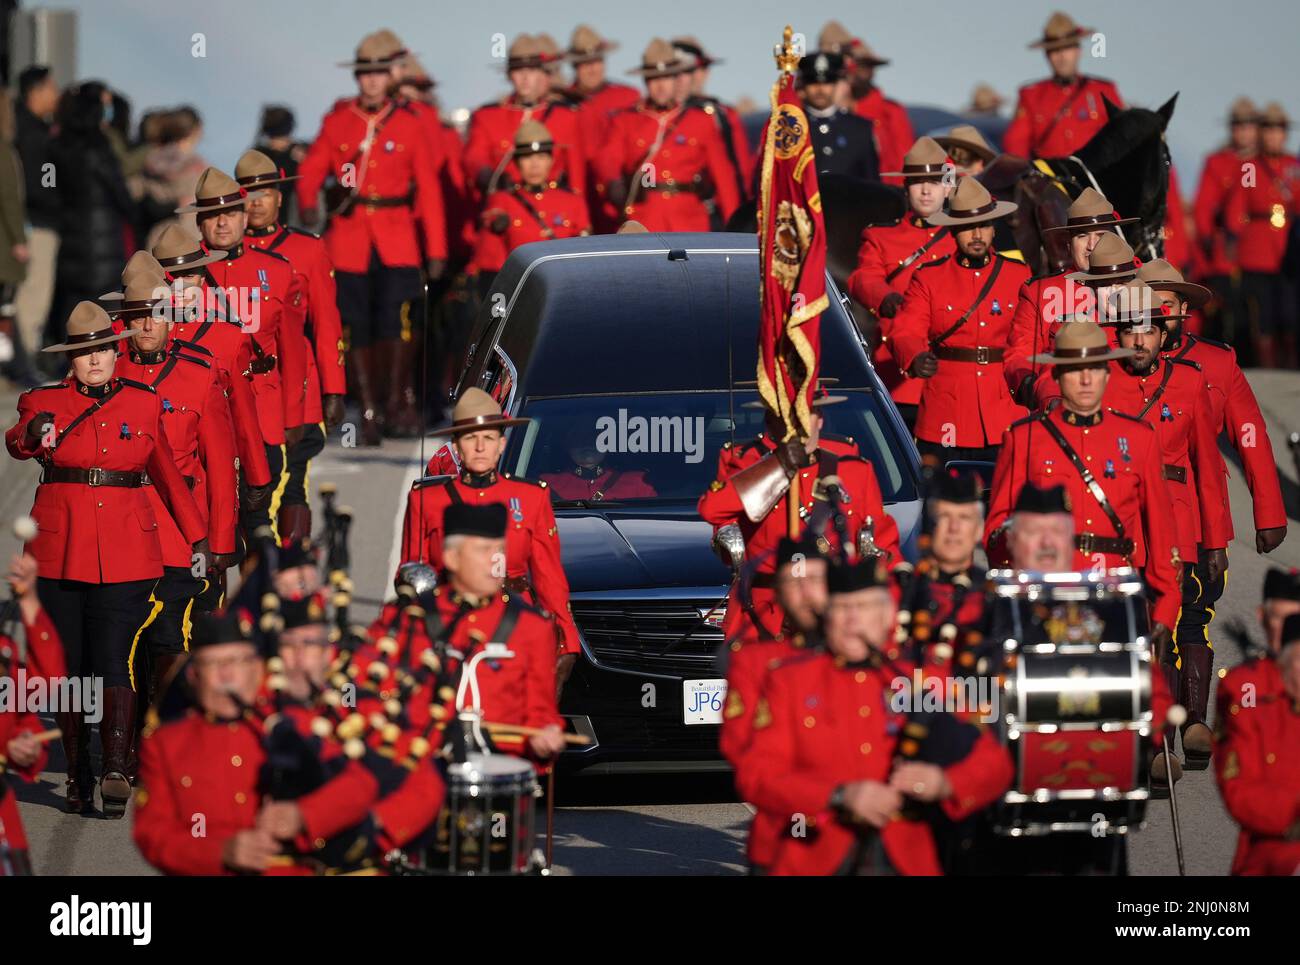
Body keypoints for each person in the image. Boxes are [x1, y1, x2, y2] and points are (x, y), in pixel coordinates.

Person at [6, 301, 206, 818]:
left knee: (115, 655)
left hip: (127, 546)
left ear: (115, 353)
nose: (95, 360)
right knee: (70, 667)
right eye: (84, 353)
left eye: (101, 350)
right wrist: (30, 435)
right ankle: (77, 774)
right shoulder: (41, 399)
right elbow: (18, 441)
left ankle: (116, 765)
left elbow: (165, 470)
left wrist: (198, 539)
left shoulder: (143, 403)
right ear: (71, 359)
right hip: (58, 548)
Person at [735, 557, 1014, 875]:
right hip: (813, 857)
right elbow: (757, 775)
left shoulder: (925, 682)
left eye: (865, 608)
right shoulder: (788, 682)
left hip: (905, 858)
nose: (853, 621)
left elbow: (995, 765)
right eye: (842, 608)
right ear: (827, 616)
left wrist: (945, 783)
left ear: (887, 617)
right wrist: (838, 795)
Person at [132, 607, 379, 875]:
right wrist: (218, 852)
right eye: (213, 664)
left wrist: (303, 815)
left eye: (237, 662)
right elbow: (152, 833)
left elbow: (360, 784)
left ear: (257, 669)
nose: (226, 676)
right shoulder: (166, 743)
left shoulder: (295, 724)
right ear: (194, 677)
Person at [984, 321, 1181, 643]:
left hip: (1115, 591)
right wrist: (1022, 566)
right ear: (1058, 376)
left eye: (1095, 369)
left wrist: (1165, 611)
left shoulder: (1138, 439)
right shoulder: (1025, 438)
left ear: (1107, 373)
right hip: (1044, 590)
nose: (1087, 380)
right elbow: (996, 528)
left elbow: (1161, 533)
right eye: (1076, 370)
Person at [1103, 279, 1230, 773]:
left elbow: (1207, 465)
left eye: (1150, 331)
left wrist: (1215, 540)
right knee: (1141, 629)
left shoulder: (1190, 381)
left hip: (1177, 518)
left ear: (1164, 335)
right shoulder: (1101, 379)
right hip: (1124, 518)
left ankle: (1193, 721)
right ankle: (1154, 742)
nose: (1140, 340)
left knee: (1183, 620)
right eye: (1131, 331)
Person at [297, 31, 446, 446]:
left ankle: (395, 400)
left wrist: (436, 248)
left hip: (396, 233)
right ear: (358, 78)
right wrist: (309, 202)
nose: (372, 82)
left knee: (395, 324)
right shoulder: (339, 120)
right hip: (349, 237)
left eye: (379, 74)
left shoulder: (409, 123)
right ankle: (367, 410)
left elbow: (428, 188)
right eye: (365, 74)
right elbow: (312, 168)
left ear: (390, 77)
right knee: (354, 326)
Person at [112, 274, 240, 691]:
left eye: (157, 315)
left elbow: (220, 466)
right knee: (122, 642)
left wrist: (220, 541)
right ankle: (124, 745)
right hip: (116, 528)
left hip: (178, 529)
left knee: (170, 632)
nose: (148, 326)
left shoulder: (198, 374)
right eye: (139, 317)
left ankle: (162, 733)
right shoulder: (106, 371)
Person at [399, 388, 580, 663]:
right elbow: (413, 576)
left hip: (518, 622)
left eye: (489, 438)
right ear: (456, 446)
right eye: (471, 438)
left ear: (502, 444)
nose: (481, 447)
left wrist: (566, 642)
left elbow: (549, 578)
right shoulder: (426, 499)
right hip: (449, 626)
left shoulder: (532, 498)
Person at [698, 401, 900, 642]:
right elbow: (712, 510)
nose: (800, 426)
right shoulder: (745, 463)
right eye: (789, 418)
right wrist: (778, 464)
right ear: (771, 423)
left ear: (820, 419)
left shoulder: (853, 470)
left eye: (807, 415)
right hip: (764, 617)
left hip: (833, 614)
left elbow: (881, 547)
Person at [183, 166, 307, 541]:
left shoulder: (278, 271)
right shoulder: (181, 275)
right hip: (204, 413)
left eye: (231, 213)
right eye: (211, 216)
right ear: (199, 222)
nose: (222, 224)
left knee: (259, 522)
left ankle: (262, 596)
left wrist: (294, 414)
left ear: (244, 215)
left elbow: (293, 349)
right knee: (209, 526)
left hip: (262, 408)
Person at [1144, 258, 1288, 559]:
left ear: (1184, 310)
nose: (1158, 314)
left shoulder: (1218, 361)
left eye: (1167, 304)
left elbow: (1250, 436)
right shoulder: (1119, 359)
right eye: (1149, 304)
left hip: (1200, 510)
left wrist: (1269, 513)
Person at [238, 149, 347, 537]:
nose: (255, 202)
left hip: (298, 385)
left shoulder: (307, 249)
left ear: (279, 198)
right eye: (246, 193)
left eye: (264, 192)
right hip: (241, 388)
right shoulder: (221, 256)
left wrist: (334, 389)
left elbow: (326, 324)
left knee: (294, 478)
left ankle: (289, 568)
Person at [890, 177, 1030, 467]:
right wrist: (915, 356)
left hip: (1003, 407)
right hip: (947, 410)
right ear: (953, 231)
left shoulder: (1019, 275)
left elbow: (1028, 337)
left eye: (984, 225)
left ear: (994, 229)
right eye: (968, 227)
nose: (977, 234)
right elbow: (906, 328)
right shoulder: (928, 277)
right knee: (940, 499)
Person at [721, 534, 827, 874]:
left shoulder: (856, 658)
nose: (806, 593)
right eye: (794, 583)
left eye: (815, 581)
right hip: (781, 846)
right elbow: (747, 759)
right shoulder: (755, 666)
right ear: (778, 593)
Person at [148, 226, 273, 504]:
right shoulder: (130, 335)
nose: (179, 286)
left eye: (188, 275)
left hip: (203, 473)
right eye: (170, 277)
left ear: (203, 279)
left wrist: (257, 475)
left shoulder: (227, 337)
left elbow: (242, 409)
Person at [846, 136, 956, 428]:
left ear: (948, 187)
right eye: (917, 182)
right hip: (898, 375)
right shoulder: (881, 236)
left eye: (933, 182)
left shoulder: (963, 239)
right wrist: (885, 297)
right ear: (906, 188)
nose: (925, 191)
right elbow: (863, 278)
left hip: (953, 376)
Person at [1004, 187, 1139, 405]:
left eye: (1101, 235)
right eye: (1082, 235)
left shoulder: (1137, 287)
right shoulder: (1040, 293)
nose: (1092, 245)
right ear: (1068, 245)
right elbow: (1020, 358)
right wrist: (1040, 393)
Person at [597, 39, 740, 233]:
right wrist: (613, 184)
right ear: (646, 81)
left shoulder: (700, 121)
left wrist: (734, 227)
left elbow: (724, 179)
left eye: (666, 78)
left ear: (676, 80)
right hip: (643, 216)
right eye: (654, 79)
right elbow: (608, 159)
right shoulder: (626, 120)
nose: (661, 86)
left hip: (689, 218)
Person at [46, 84, 135, 368]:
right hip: (104, 243)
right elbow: (121, 194)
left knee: (72, 309)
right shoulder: (100, 148)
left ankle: (67, 365)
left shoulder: (58, 147)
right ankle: (105, 367)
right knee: (106, 310)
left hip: (71, 240)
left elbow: (49, 190)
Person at [1214, 619, 1300, 875]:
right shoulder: (1255, 706)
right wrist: (1293, 817)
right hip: (1273, 852)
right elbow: (1240, 791)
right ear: (1282, 667)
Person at [463, 34, 587, 204]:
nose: (525, 78)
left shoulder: (565, 117)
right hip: (505, 207)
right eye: (519, 70)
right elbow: (474, 158)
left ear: (544, 74)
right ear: (509, 75)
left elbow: (576, 175)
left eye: (532, 70)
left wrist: (578, 216)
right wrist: (488, 176)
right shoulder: (487, 117)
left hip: (556, 210)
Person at [1222, 102, 1300, 368]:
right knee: (1262, 314)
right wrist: (1233, 238)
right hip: (1257, 249)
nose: (1272, 135)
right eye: (1267, 129)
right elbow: (1238, 205)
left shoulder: (1294, 166)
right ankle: (1268, 370)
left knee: (1290, 313)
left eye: (1278, 129)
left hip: (1289, 247)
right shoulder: (1250, 168)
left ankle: (1290, 366)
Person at [896, 470, 989, 677]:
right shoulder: (899, 592)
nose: (954, 528)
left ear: (979, 529)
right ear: (928, 527)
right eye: (944, 516)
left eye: (964, 517)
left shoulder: (993, 598)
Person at [468, 121, 591, 278]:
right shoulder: (503, 200)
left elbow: (583, 254)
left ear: (551, 160)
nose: (534, 165)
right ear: (517, 163)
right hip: (518, 285)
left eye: (541, 157)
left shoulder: (573, 202)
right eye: (527, 157)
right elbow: (488, 261)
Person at [1002, 11, 1124, 160]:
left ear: (1078, 51)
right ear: (1047, 55)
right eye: (1055, 50)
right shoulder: (1031, 96)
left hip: (1096, 177)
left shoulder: (1103, 91)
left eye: (1067, 48)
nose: (1062, 57)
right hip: (1050, 179)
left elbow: (1123, 137)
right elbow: (1015, 145)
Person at [1193, 98, 1258, 345]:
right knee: (1225, 306)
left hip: (1260, 249)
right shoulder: (1218, 162)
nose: (1243, 131)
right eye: (1239, 125)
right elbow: (1203, 206)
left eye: (1249, 125)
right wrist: (1208, 241)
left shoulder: (1263, 163)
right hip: (1225, 249)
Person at [817, 22, 913, 185]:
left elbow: (903, 164)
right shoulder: (822, 109)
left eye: (869, 65)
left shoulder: (889, 112)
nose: (864, 71)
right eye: (859, 64)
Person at [565, 24, 640, 231]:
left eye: (597, 61)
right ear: (575, 67)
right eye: (584, 63)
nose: (592, 69)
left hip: (620, 193)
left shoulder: (627, 97)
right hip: (579, 193)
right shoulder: (562, 105)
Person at [12, 66, 61, 373]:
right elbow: (41, 185)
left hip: (33, 223)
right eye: (51, 88)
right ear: (37, 91)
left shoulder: (22, 129)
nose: (55, 95)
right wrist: (58, 201)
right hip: (38, 225)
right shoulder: (34, 136)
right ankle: (23, 361)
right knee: (33, 297)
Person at [673, 36, 753, 207]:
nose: (680, 79)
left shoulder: (718, 114)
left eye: (688, 71)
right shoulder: (650, 115)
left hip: (709, 210)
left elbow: (739, 172)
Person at [795, 51, 879, 183]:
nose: (820, 89)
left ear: (835, 84)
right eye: (813, 82)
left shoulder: (859, 129)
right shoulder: (789, 127)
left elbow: (872, 182)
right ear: (803, 86)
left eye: (827, 82)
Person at [539, 421, 657, 501]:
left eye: (596, 437)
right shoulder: (546, 485)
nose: (587, 443)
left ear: (608, 443)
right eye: (579, 436)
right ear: (567, 444)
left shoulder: (639, 484)